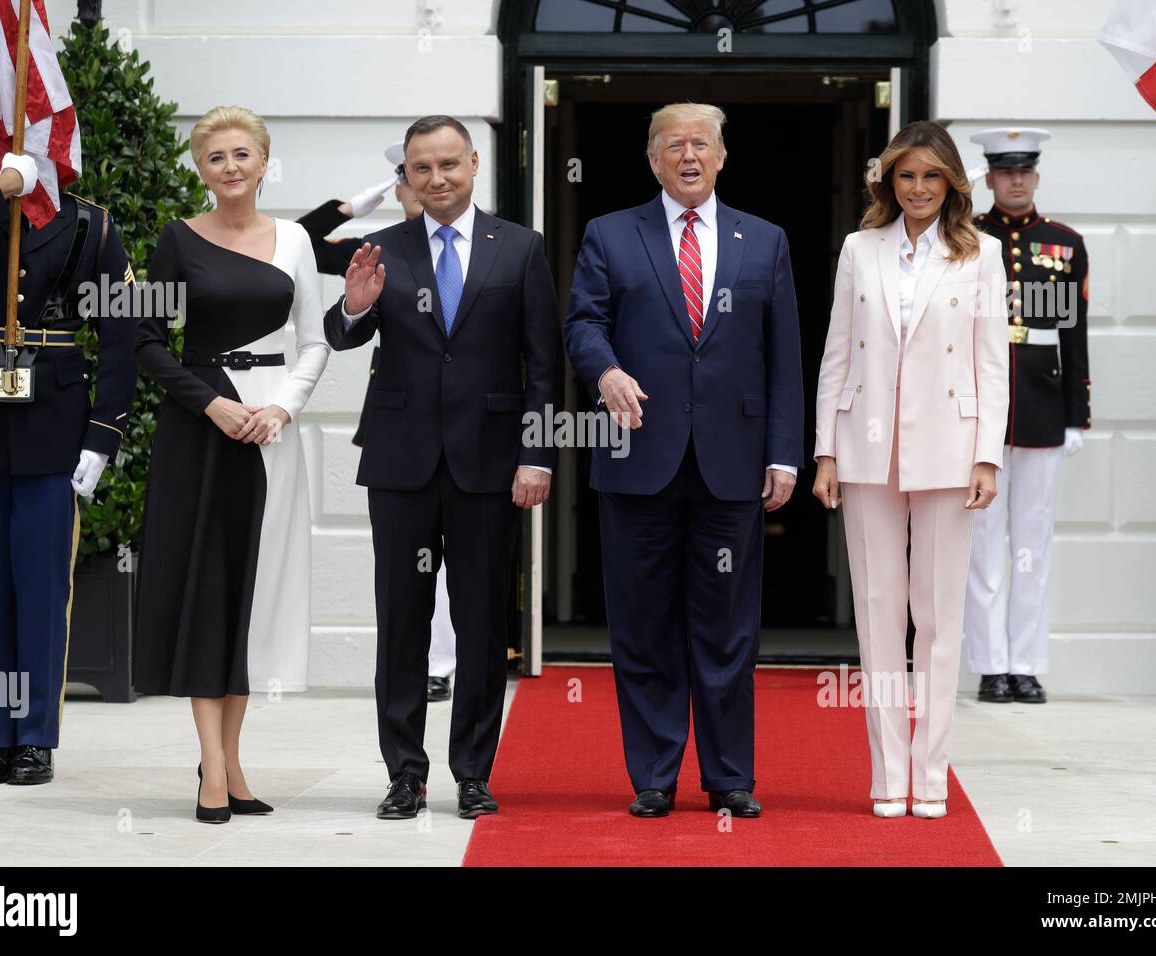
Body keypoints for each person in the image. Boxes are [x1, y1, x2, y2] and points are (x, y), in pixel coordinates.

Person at [565, 102, 803, 819]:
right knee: (643, 626)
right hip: (638, 460)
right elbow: (583, 321)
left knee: (727, 627)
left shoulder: (764, 241)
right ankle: (654, 777)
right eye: (675, 145)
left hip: (732, 463)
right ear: (653, 159)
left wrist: (785, 453)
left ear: (723, 156)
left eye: (702, 144)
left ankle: (729, 776)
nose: (689, 155)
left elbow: (783, 357)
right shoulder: (610, 234)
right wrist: (604, 371)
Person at [324, 115, 562, 820]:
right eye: (421, 168)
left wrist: (537, 456)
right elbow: (343, 333)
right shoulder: (382, 248)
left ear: (474, 163)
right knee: (403, 621)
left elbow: (544, 368)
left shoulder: (520, 248)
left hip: (491, 465)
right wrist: (352, 306)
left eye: (448, 165)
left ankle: (473, 773)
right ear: (408, 175)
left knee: (483, 624)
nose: (436, 179)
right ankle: (405, 773)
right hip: (401, 462)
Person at [131, 106, 329, 824]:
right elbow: (147, 342)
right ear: (200, 169)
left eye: (243, 153)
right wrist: (210, 405)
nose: (231, 167)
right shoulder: (176, 240)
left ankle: (232, 761)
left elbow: (314, 340)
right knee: (208, 594)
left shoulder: (299, 240)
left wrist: (282, 408)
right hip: (201, 434)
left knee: (253, 600)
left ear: (265, 160)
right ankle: (211, 769)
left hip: (271, 435)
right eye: (217, 157)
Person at [812, 120, 1009, 820]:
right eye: (906, 176)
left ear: (952, 182)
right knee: (877, 616)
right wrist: (826, 449)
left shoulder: (982, 254)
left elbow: (992, 360)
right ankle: (887, 774)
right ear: (887, 182)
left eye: (931, 176)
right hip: (865, 452)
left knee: (938, 618)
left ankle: (931, 775)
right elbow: (838, 350)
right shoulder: (859, 249)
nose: (918, 188)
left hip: (950, 453)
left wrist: (988, 453)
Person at [0, 158, 136, 787]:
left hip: (55, 422)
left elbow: (122, 335)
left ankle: (35, 738)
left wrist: (103, 437)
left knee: (44, 586)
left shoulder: (93, 228)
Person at [295, 145, 458, 703]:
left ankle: (446, 660)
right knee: (408, 558)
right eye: (408, 177)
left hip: (464, 424)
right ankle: (422, 664)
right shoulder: (378, 249)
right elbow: (299, 243)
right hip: (404, 424)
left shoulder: (482, 244)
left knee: (457, 559)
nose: (417, 186)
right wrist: (350, 207)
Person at [963, 128, 1092, 705]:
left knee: (1031, 544)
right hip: (980, 408)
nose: (1015, 179)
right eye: (1004, 171)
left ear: (1035, 177)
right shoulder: (968, 237)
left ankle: (1026, 663)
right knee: (983, 541)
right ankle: (990, 664)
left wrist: (1076, 414)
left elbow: (1074, 334)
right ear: (989, 178)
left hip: (1041, 405)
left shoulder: (1064, 244)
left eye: (1025, 171)